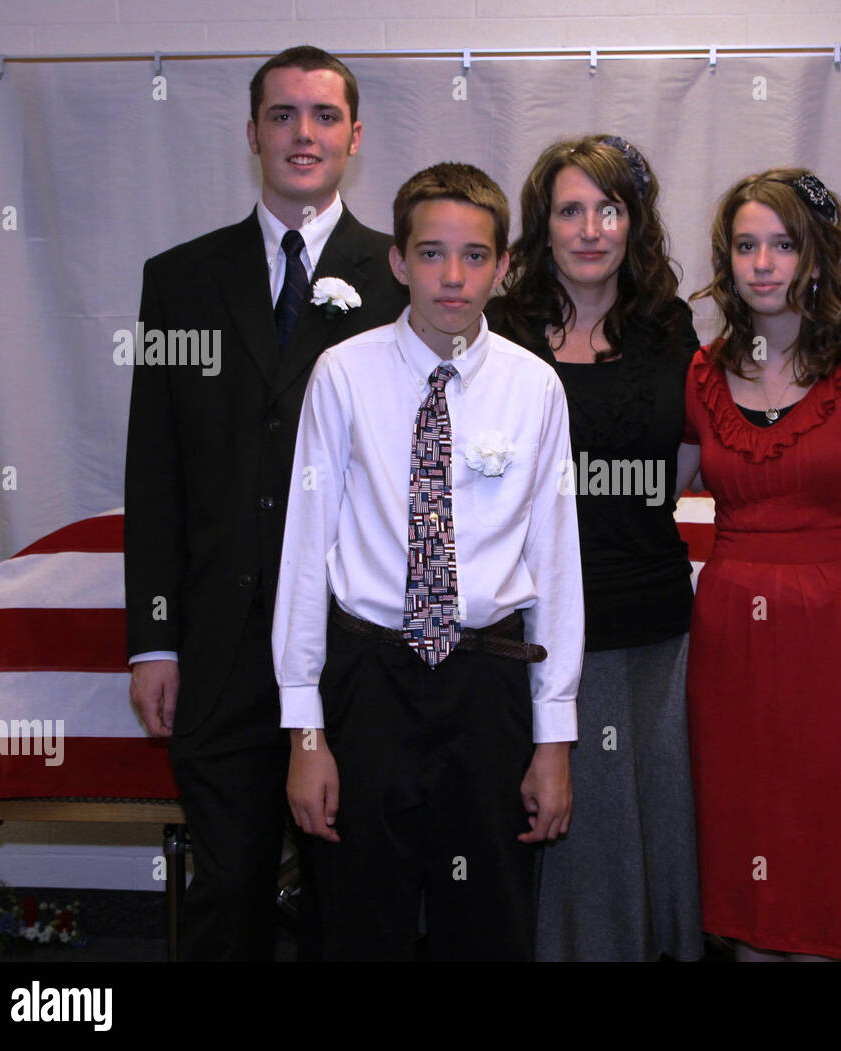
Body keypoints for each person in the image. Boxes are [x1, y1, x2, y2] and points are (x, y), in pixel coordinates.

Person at [124, 45, 405, 961]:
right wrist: (154, 637)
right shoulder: (178, 282)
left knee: (351, 893)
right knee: (230, 888)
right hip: (220, 645)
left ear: (354, 137)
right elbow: (154, 470)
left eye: (324, 116)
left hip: (357, 641)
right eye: (283, 114)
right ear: (251, 132)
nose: (303, 133)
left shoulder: (406, 277)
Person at [273, 162, 582, 961]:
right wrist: (306, 729)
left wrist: (554, 738)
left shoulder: (535, 387)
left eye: (475, 255)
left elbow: (556, 564)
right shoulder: (343, 374)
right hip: (370, 679)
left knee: (489, 925)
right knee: (355, 919)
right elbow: (307, 551)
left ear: (504, 266)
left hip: (488, 686)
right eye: (433, 253)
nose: (454, 276)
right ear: (399, 261)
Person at [681, 168, 841, 960]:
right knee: (746, 874)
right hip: (730, 651)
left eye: (783, 243)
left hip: (838, 646)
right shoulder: (703, 371)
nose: (764, 263)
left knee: (821, 876)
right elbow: (644, 499)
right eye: (746, 245)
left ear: (815, 255)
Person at [486, 134, 703, 961]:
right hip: (527, 630)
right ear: (543, 226)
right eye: (569, 210)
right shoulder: (498, 330)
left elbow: (683, 460)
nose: (588, 229)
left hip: (646, 623)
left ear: (633, 222)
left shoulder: (667, 327)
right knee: (551, 830)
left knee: (633, 826)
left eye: (607, 209)